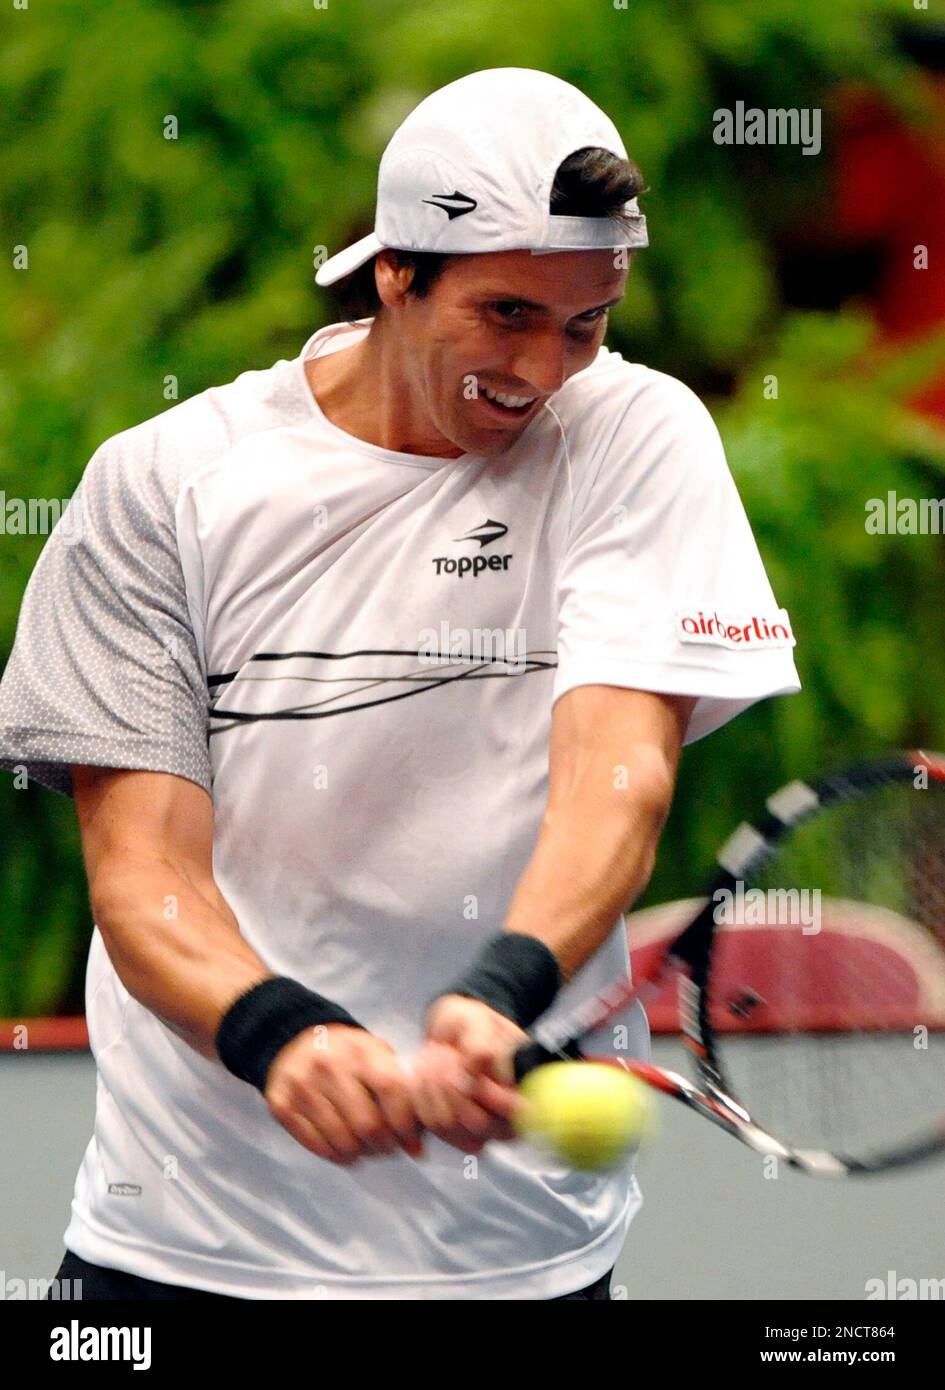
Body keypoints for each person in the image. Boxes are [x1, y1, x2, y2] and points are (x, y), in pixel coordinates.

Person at [0, 67, 800, 1300]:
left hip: (519, 1257)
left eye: (585, 323)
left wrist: (505, 987)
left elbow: (618, 777)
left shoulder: (639, 436)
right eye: (506, 312)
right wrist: (279, 1029)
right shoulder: (162, 484)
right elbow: (142, 869)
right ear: (394, 270)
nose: (546, 366)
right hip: (177, 1251)